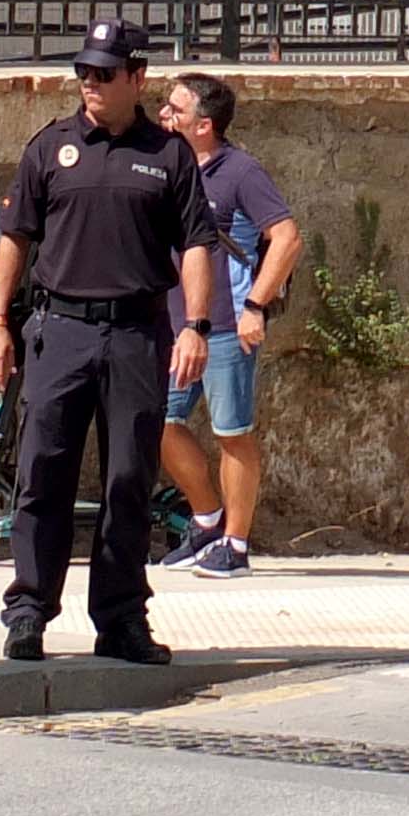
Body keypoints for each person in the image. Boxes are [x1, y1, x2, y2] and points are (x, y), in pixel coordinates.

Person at [0, 20, 217, 667]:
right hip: (60, 332)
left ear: (137, 78)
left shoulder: (168, 156)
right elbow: (14, 238)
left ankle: (120, 620)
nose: (91, 83)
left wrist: (195, 325)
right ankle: (28, 612)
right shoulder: (49, 148)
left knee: (128, 482)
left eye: (105, 73)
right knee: (42, 473)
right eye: (84, 71)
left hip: (138, 333)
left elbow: (196, 244)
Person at [157, 72, 301, 577]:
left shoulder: (240, 172)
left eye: (175, 110)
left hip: (225, 325)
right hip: (174, 326)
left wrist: (255, 306)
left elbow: (285, 238)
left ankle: (236, 546)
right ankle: (207, 519)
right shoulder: (164, 165)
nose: (163, 116)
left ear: (205, 125)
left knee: (232, 433)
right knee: (158, 421)